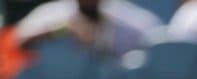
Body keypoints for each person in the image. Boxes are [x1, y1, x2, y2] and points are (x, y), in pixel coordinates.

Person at [15, 0, 160, 58]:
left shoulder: (129, 19)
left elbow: (159, 41)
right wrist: (63, 29)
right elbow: (16, 42)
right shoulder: (51, 13)